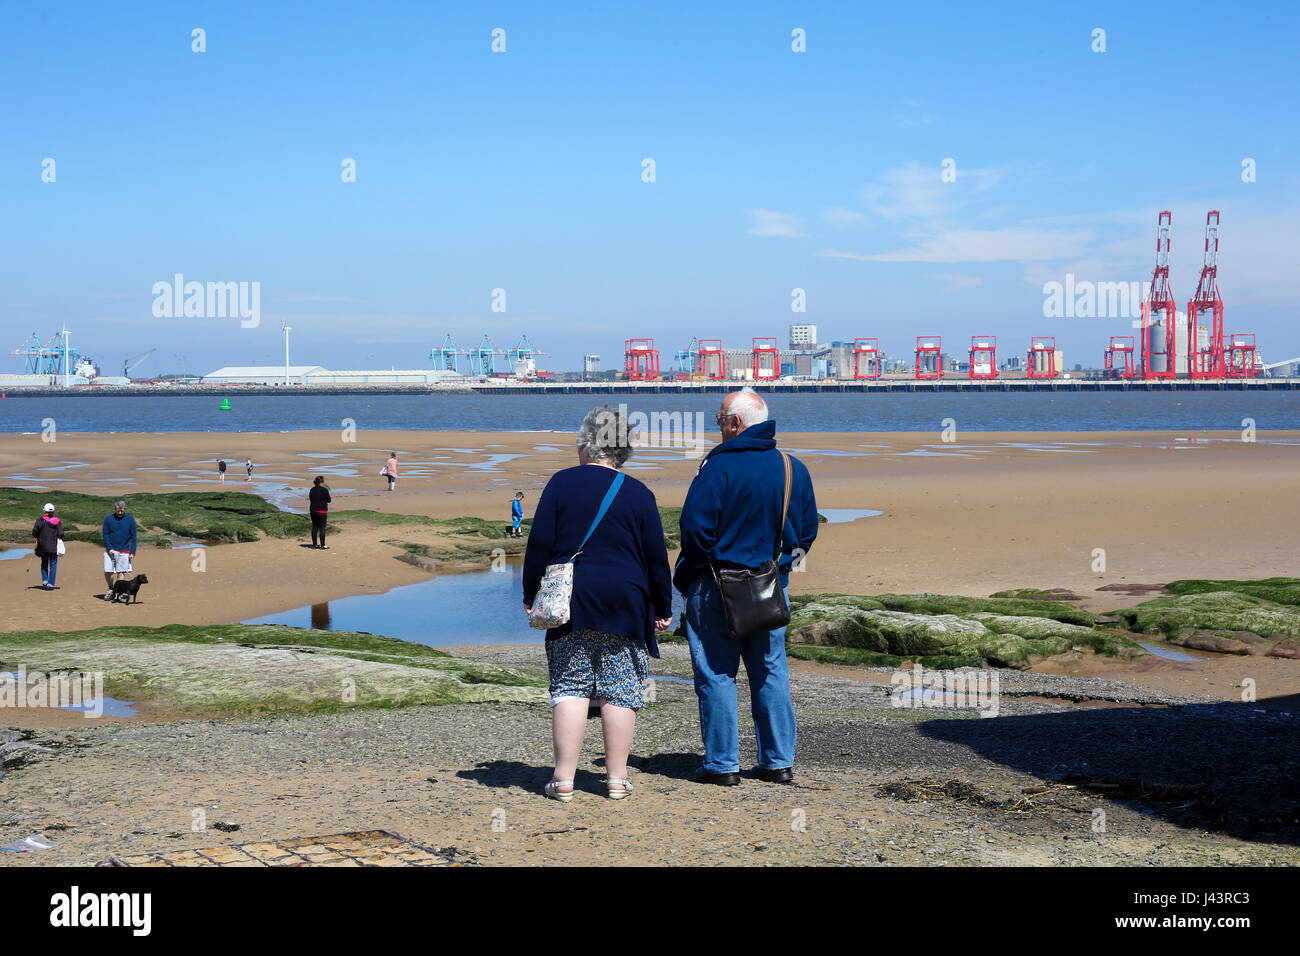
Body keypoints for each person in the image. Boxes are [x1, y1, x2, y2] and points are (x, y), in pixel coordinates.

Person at [523, 405, 673, 802]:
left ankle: (564, 779)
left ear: (586, 443)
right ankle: (617, 780)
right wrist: (663, 605)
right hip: (626, 600)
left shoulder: (560, 484)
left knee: (570, 686)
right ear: (622, 448)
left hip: (570, 598)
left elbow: (538, 544)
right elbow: (656, 557)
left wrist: (530, 594)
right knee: (620, 690)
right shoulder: (640, 493)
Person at [673, 388, 818, 786]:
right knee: (770, 670)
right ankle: (777, 762)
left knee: (717, 673)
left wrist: (699, 571)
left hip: (716, 585)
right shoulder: (792, 467)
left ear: (736, 424)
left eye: (719, 420)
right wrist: (784, 566)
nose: (717, 427)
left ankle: (722, 765)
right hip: (770, 585)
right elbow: (806, 532)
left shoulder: (716, 469)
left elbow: (695, 532)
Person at [102, 499, 138, 599]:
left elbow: (134, 537)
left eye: (122, 511)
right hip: (111, 550)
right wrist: (110, 548)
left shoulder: (130, 519)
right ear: (115, 509)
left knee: (121, 572)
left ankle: (118, 592)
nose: (120, 513)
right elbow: (105, 534)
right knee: (108, 571)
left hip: (125, 551)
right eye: (118, 511)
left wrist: (132, 552)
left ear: (124, 509)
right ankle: (110, 588)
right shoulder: (108, 519)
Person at [32, 502, 64, 591]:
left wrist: (39, 535)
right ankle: (51, 585)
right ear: (53, 512)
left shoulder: (39, 520)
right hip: (53, 547)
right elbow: (61, 533)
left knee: (44, 564)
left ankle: (45, 582)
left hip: (42, 547)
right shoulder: (57, 521)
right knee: (53, 566)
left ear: (44, 511)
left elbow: (34, 532)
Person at [308, 475, 331, 549]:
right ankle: (323, 545)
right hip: (322, 511)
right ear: (322, 482)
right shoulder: (324, 490)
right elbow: (329, 500)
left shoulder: (312, 490)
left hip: (313, 511)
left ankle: (314, 545)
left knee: (314, 527)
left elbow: (311, 499)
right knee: (322, 528)